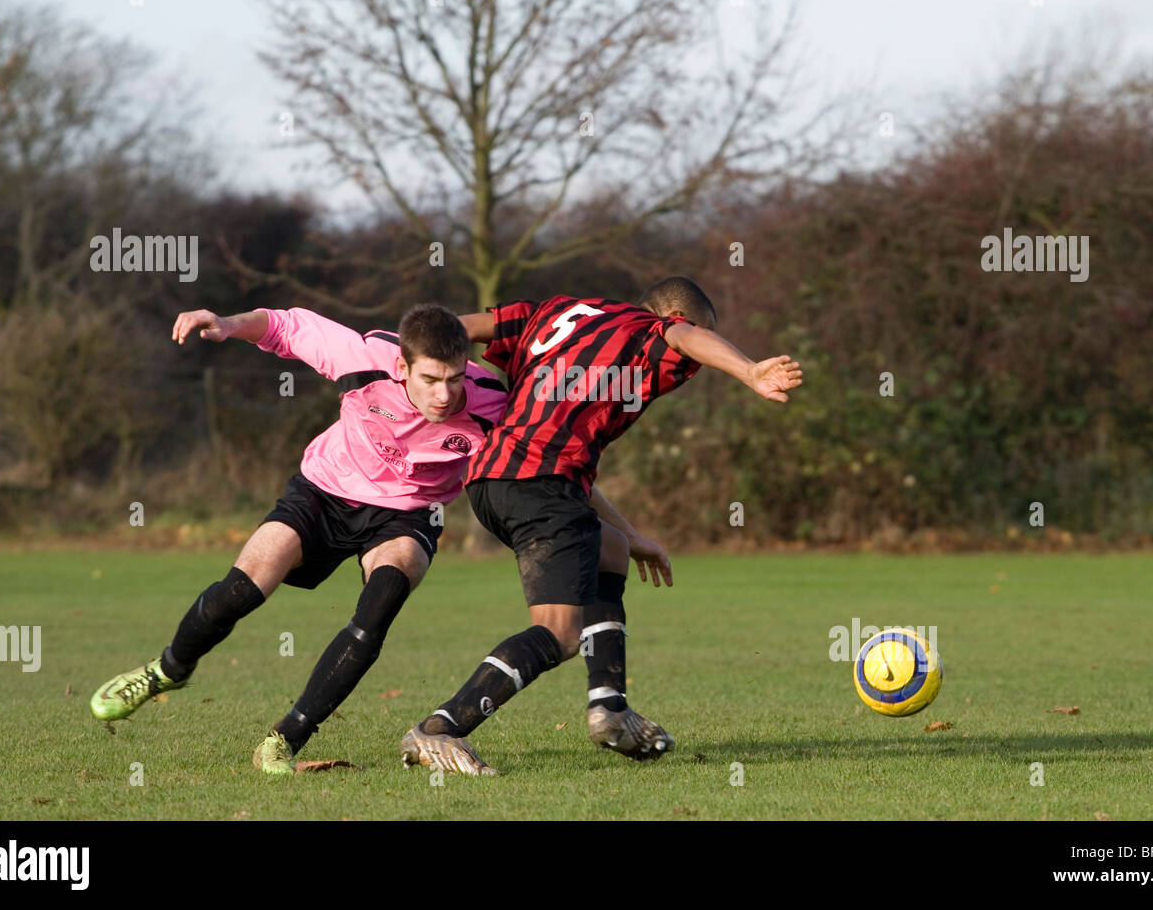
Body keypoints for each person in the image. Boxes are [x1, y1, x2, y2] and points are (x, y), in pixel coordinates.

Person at [399, 276, 803, 774]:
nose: (695, 365)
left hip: (495, 479)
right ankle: (439, 729)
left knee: (609, 548)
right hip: (539, 484)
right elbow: (680, 337)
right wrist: (748, 370)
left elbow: (456, 329)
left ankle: (610, 710)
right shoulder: (651, 331)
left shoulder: (554, 311)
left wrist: (633, 537)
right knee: (559, 634)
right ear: (678, 318)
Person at [89, 303, 510, 773]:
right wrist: (228, 326)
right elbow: (283, 326)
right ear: (402, 366)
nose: (445, 394)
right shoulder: (365, 358)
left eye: (454, 378)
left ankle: (284, 739)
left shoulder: (491, 401)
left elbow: (549, 451)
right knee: (241, 588)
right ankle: (168, 669)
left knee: (379, 607)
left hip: (408, 513)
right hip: (325, 492)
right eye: (430, 380)